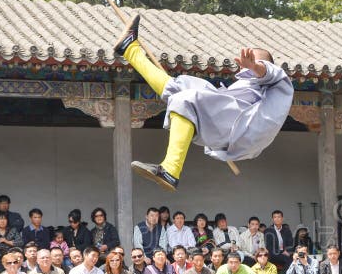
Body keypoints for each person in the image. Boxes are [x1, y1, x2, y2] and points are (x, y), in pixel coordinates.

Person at [115, 14, 294, 191]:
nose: (247, 65)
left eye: (254, 60)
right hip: (233, 128)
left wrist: (255, 66)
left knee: (186, 100)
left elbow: (268, 72)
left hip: (244, 128)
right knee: (180, 86)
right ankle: (130, 49)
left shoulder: (279, 84)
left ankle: (171, 169)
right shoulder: (246, 86)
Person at [264, 210, 294, 274]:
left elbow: (291, 244)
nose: (277, 219)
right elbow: (269, 247)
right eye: (275, 217)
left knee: (294, 259)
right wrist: (282, 251)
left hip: (285, 254)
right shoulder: (268, 231)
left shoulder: (286, 230)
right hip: (273, 254)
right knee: (288, 260)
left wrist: (287, 251)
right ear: (272, 219)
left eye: (279, 217)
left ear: (282, 218)